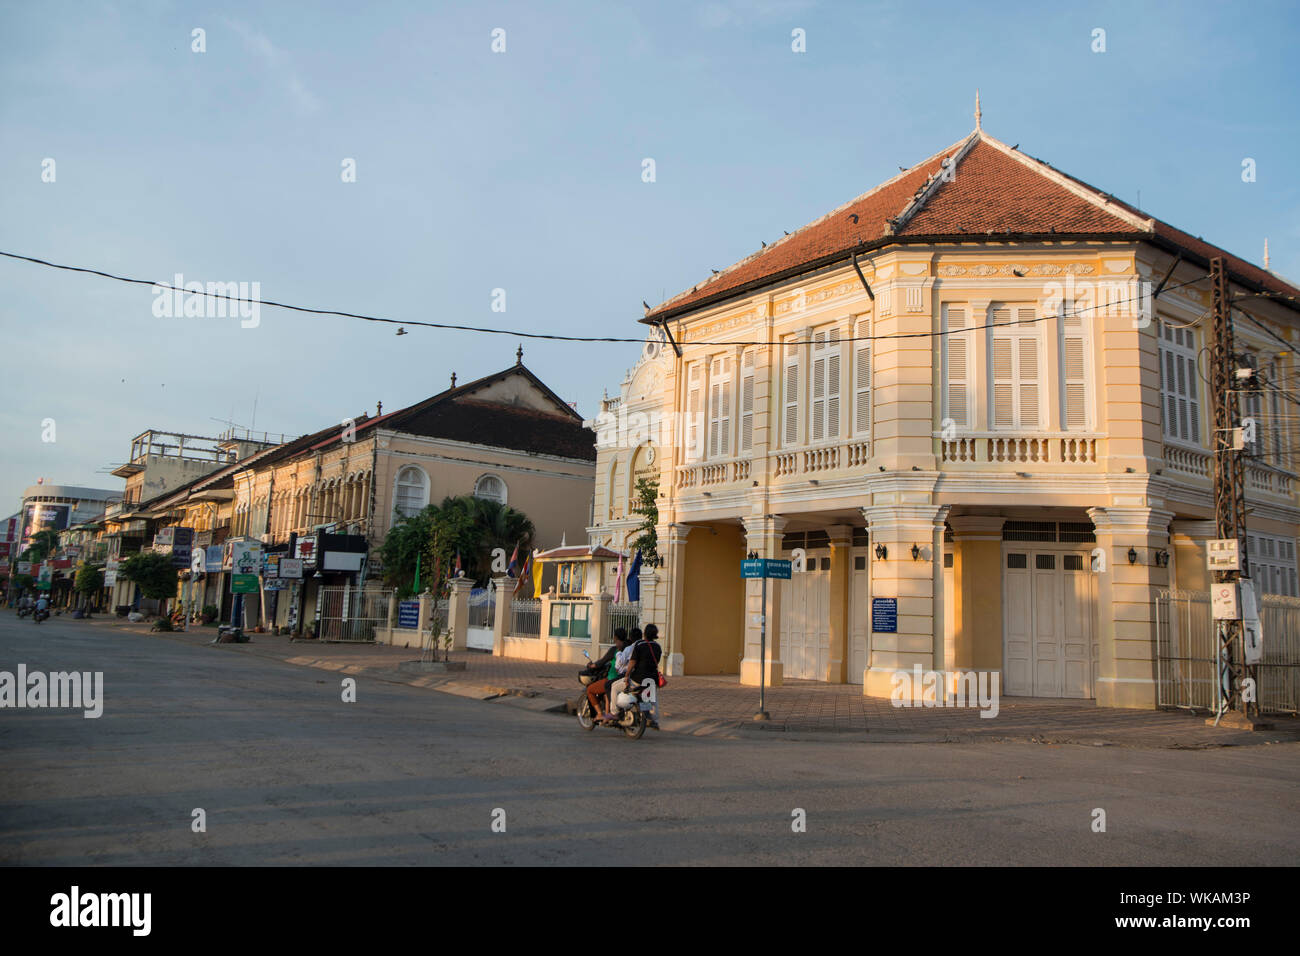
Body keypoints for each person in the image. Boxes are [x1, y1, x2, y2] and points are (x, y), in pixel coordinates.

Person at [584, 628, 627, 720]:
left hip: (613, 678)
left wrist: (592, 665)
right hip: (625, 678)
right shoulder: (629, 648)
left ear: (615, 638)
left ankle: (599, 713)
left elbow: (602, 662)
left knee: (590, 690)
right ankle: (608, 712)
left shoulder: (615, 650)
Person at [605, 626, 643, 719]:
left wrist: (618, 653)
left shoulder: (628, 649)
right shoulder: (645, 647)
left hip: (630, 676)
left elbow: (618, 666)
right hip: (646, 676)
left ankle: (614, 712)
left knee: (610, 686)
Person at [643, 624, 664, 729]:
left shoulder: (640, 645)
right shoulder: (657, 647)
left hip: (641, 676)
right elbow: (658, 660)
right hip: (653, 676)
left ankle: (646, 716)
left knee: (644, 698)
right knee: (652, 699)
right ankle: (653, 719)